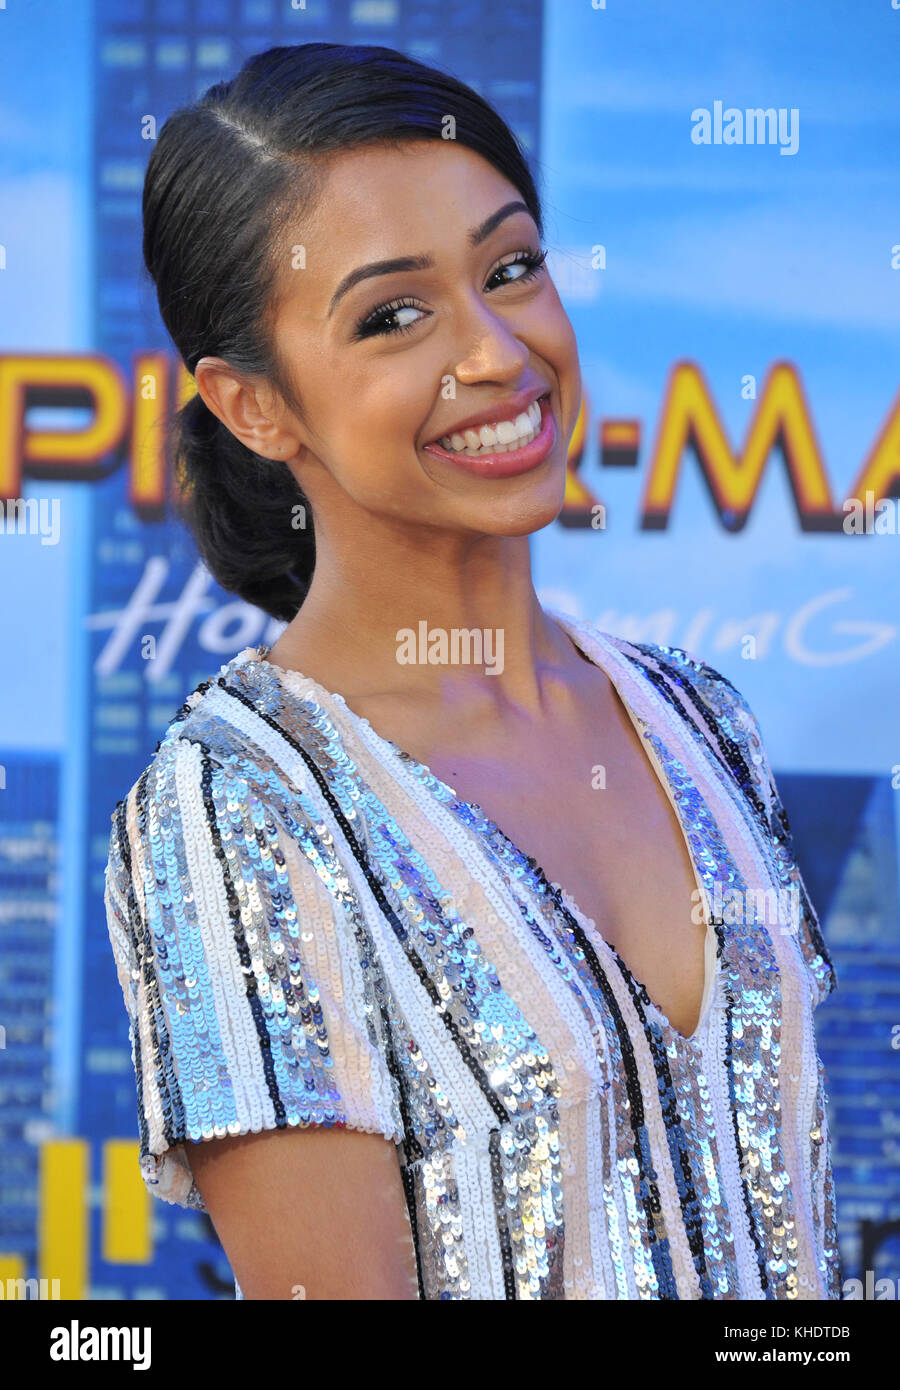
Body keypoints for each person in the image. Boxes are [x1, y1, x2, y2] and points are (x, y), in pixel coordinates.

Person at [104, 41, 839, 1301]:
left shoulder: (703, 720)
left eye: (512, 269)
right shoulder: (234, 808)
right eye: (395, 315)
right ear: (253, 406)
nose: (495, 352)